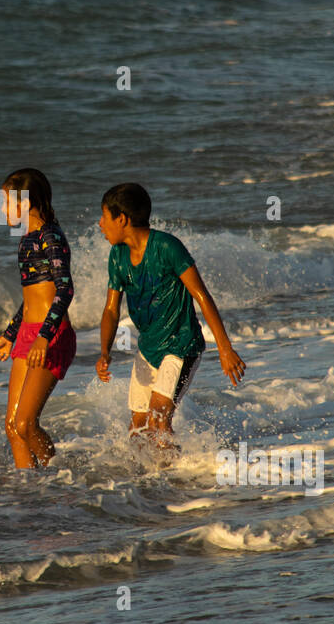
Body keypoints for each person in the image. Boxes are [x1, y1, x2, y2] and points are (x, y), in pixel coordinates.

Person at [95, 183, 246, 450]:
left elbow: (202, 296)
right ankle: (148, 486)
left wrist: (224, 348)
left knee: (158, 422)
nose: (100, 224)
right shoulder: (117, 256)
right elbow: (110, 310)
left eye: (104, 217)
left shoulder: (167, 247)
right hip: (149, 346)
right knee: (137, 430)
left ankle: (176, 482)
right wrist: (105, 351)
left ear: (122, 219)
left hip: (181, 343)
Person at [0, 168, 74, 468]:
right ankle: (29, 495)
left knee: (25, 424)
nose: (3, 209)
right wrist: (10, 334)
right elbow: (30, 300)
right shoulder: (26, 240)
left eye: (7, 202)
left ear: (26, 203)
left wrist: (43, 336)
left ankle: (63, 478)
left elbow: (65, 290)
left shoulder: (51, 236)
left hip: (52, 334)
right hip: (28, 333)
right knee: (12, 427)